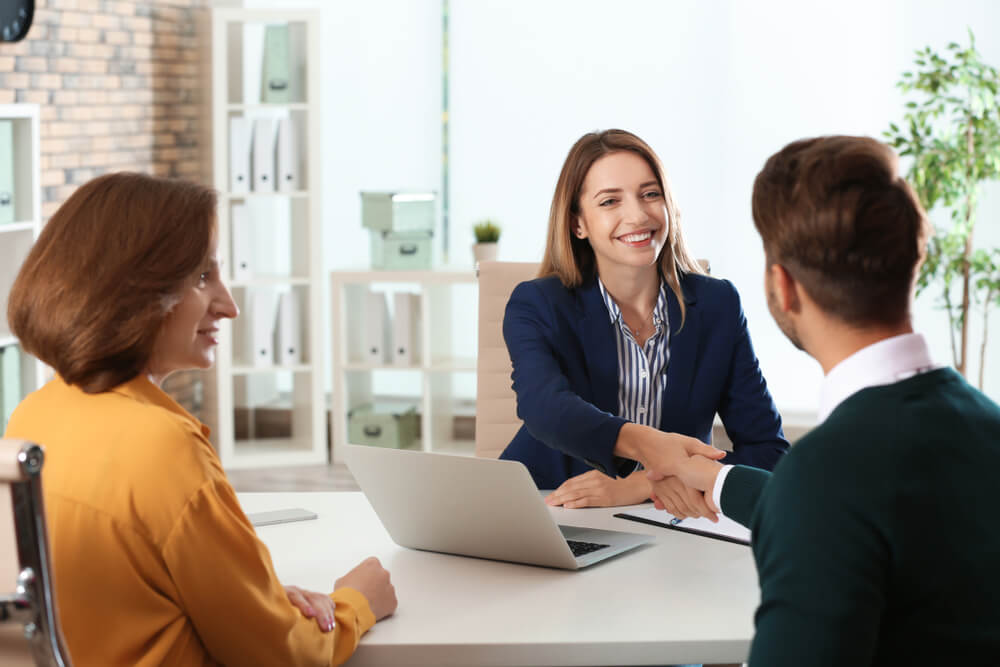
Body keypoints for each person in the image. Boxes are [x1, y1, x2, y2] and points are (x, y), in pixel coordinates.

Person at [4, 172, 397, 665]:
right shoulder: (163, 447)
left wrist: (260, 602)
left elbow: (116, 596)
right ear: (133, 291)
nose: (229, 307)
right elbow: (286, 656)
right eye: (202, 277)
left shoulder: (33, 414)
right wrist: (358, 601)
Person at [653, 136, 1000, 664]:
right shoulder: (984, 426)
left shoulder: (827, 476)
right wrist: (721, 482)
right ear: (915, 258)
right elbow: (880, 513)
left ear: (783, 286)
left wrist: (798, 494)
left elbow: (836, 503)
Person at [500, 128, 789, 512]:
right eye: (610, 201)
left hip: (667, 515)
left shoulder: (717, 304)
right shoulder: (538, 303)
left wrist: (641, 484)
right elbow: (544, 407)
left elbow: (768, 451)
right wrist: (650, 445)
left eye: (650, 194)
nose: (637, 215)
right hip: (548, 506)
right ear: (577, 224)